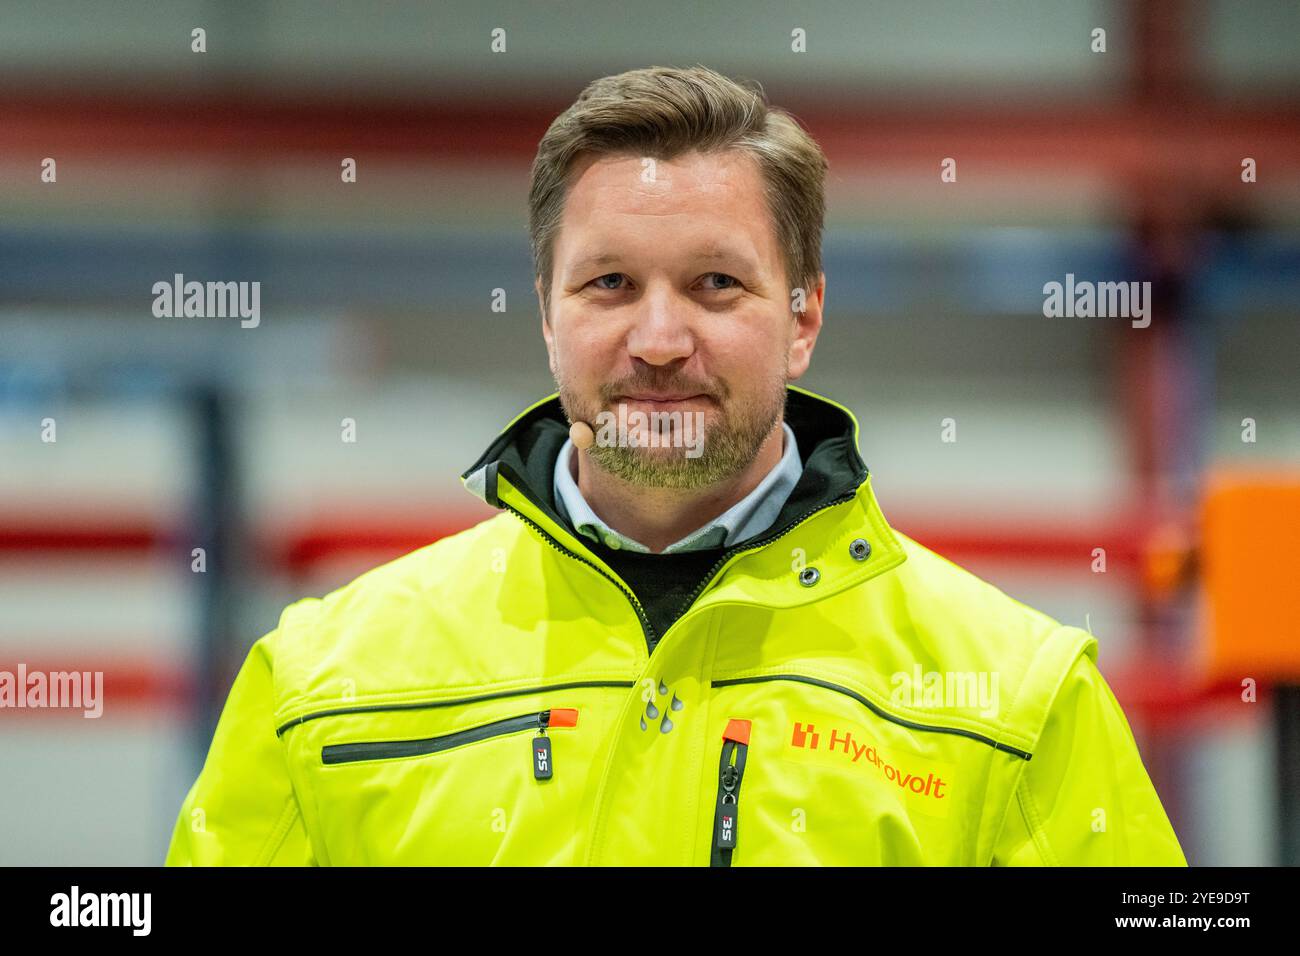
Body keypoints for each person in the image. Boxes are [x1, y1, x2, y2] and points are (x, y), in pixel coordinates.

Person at [165, 64, 1186, 866]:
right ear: (547, 317)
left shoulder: (1016, 703)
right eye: (609, 282)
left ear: (802, 317)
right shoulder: (321, 686)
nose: (658, 337)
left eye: (714, 283)